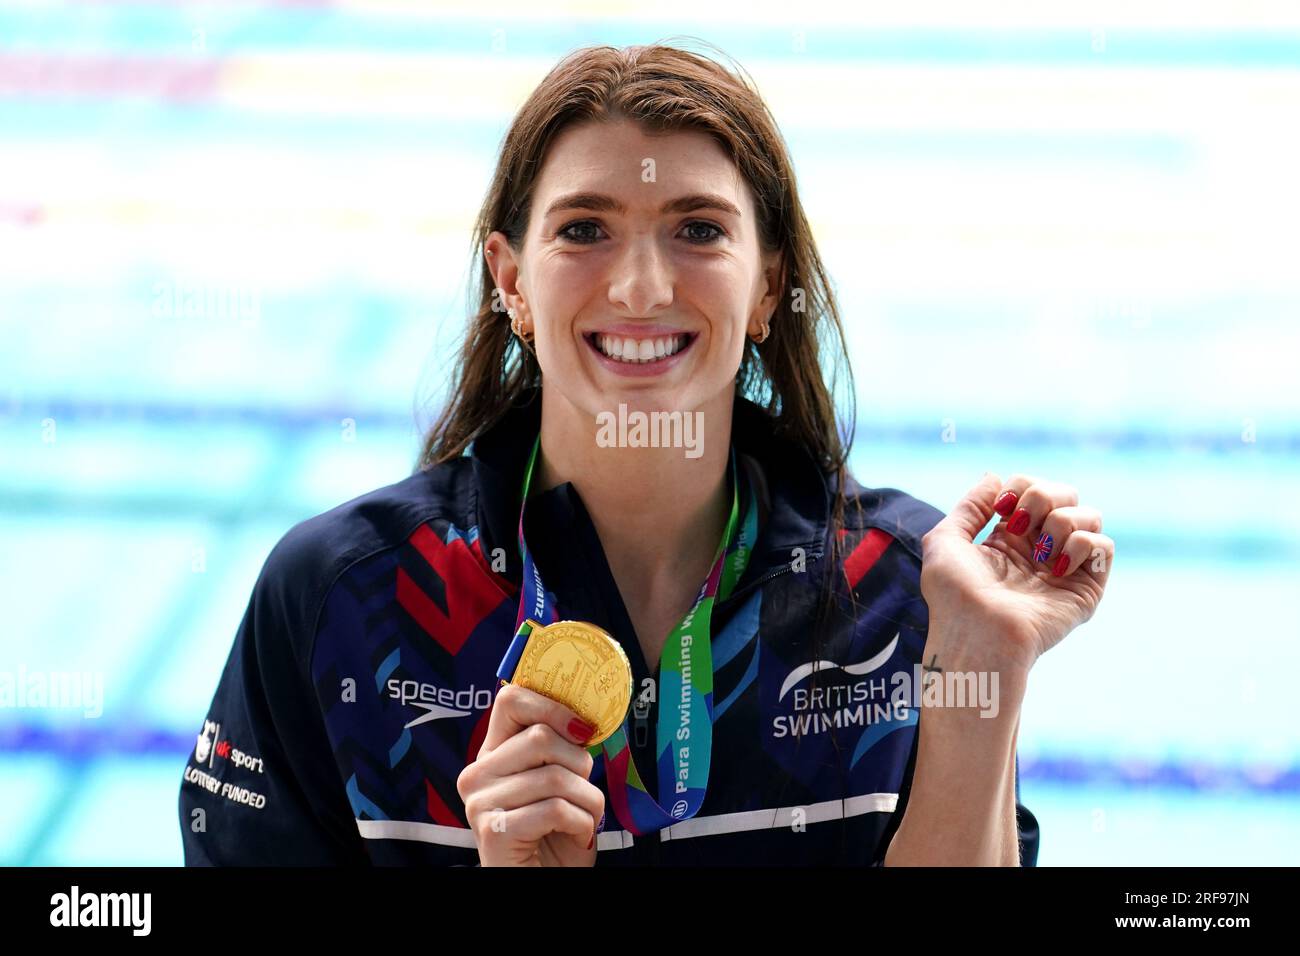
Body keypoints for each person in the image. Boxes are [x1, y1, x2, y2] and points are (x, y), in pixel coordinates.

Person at [178, 41, 1113, 867]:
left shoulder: (906, 592)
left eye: (698, 231)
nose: (639, 287)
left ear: (766, 286)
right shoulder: (344, 601)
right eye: (584, 229)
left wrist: (983, 668)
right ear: (511, 281)